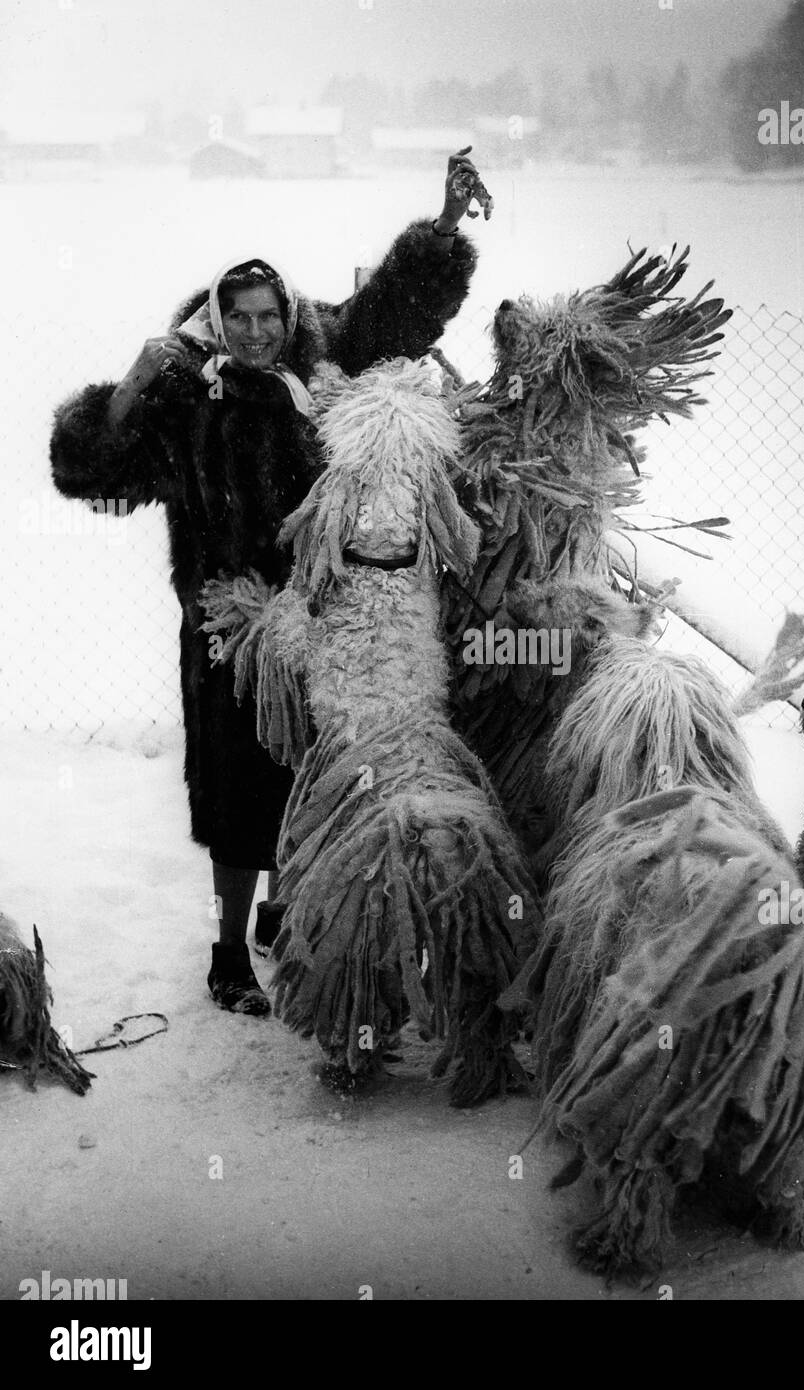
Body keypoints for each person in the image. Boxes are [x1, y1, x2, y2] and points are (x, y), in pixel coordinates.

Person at [50, 149, 489, 1016]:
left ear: (287, 314)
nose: (256, 331)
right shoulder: (185, 399)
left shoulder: (318, 363)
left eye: (268, 316)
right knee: (232, 796)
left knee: (302, 769)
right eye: (240, 319)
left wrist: (442, 229)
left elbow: (391, 314)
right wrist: (135, 381)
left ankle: (285, 920)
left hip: (310, 617)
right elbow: (88, 468)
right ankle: (226, 954)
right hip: (225, 628)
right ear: (218, 321)